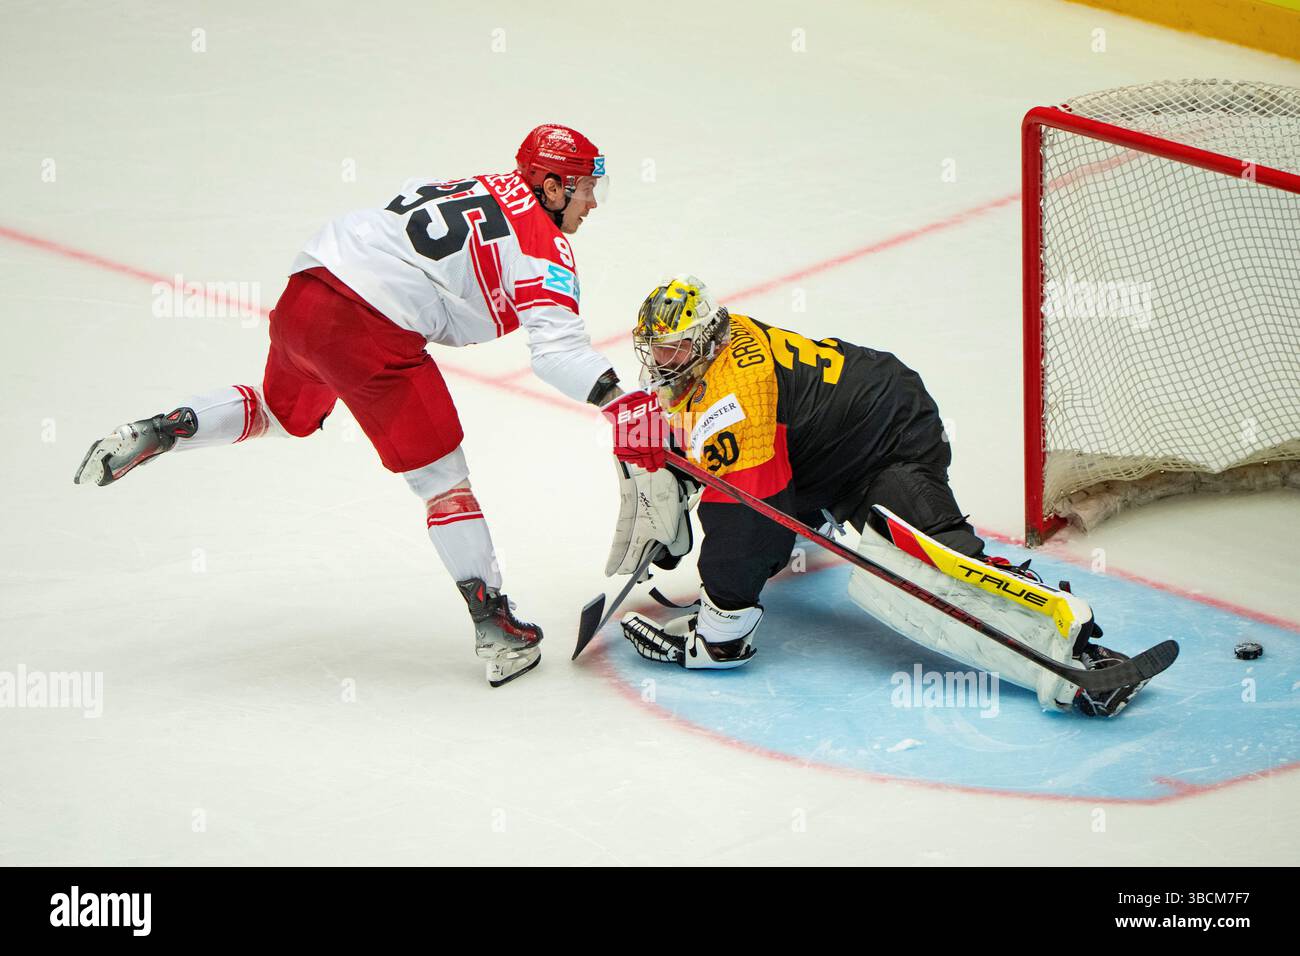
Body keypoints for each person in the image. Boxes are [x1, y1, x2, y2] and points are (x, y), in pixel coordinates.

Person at [73, 124, 629, 687]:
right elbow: (557, 353)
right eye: (585, 189)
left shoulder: (470, 185)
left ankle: (169, 427)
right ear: (552, 186)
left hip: (309, 288)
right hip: (372, 328)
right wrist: (621, 401)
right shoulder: (543, 242)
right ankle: (495, 628)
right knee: (444, 482)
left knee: (282, 412)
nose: (590, 204)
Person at [609, 276, 1148, 717]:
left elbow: (753, 521)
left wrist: (723, 623)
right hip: (837, 431)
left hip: (887, 437)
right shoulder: (719, 348)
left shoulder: (736, 396)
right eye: (652, 346)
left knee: (918, 567)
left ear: (704, 339)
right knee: (766, 493)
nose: (659, 358)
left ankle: (1065, 654)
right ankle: (820, 510)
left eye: (672, 347)